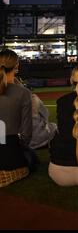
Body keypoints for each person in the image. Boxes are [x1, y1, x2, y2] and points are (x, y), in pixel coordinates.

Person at [0, 49, 32, 187]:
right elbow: (26, 134)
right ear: (16, 66)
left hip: (5, 143)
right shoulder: (23, 93)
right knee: (32, 158)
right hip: (9, 152)